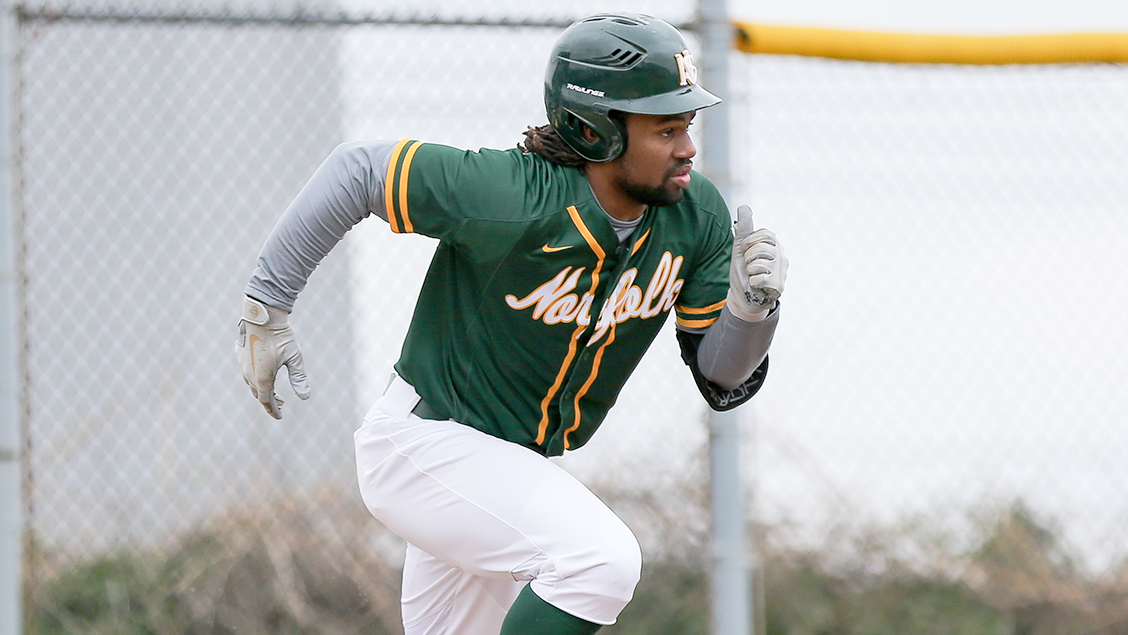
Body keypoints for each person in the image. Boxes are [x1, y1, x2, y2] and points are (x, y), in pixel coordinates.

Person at [235, 12, 787, 635]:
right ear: (594, 128)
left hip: (512, 468)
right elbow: (358, 170)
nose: (688, 146)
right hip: (426, 443)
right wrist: (267, 305)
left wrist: (749, 313)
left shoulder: (696, 215)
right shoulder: (512, 195)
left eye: (687, 125)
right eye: (665, 129)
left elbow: (720, 377)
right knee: (598, 562)